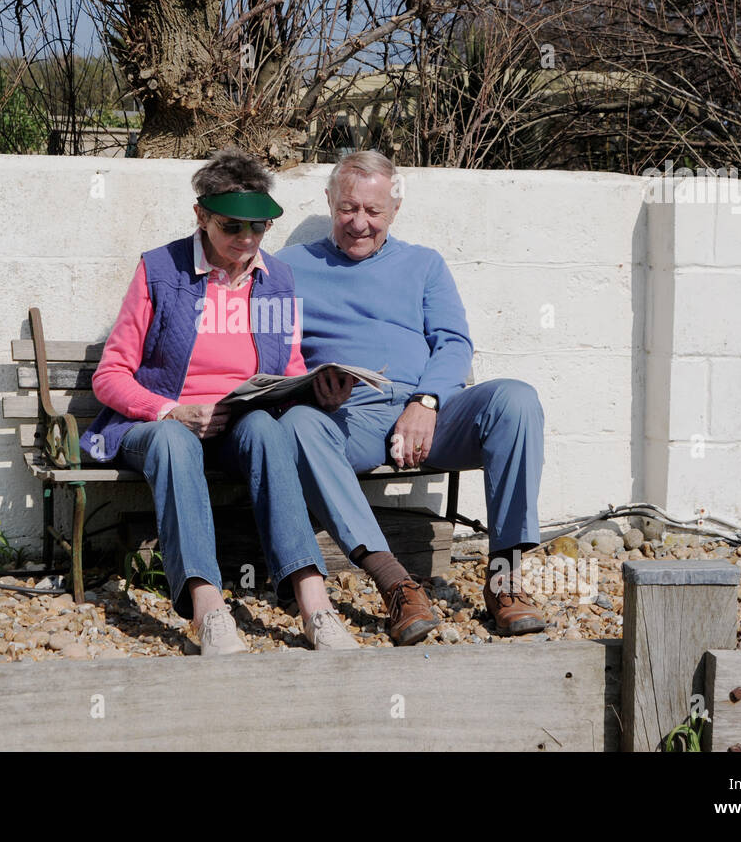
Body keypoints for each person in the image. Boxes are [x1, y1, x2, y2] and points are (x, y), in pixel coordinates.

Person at [83, 149, 359, 655]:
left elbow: (288, 365)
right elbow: (110, 376)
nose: (248, 240)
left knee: (267, 430)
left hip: (239, 423)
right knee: (172, 441)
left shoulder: (276, 278)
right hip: (163, 425)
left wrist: (312, 389)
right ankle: (209, 610)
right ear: (201, 216)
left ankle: (314, 604)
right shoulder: (158, 271)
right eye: (233, 226)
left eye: (259, 228)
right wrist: (173, 411)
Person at [277, 150, 548, 643]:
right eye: (347, 209)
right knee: (296, 425)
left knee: (516, 400)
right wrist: (311, 388)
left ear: (394, 210)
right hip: (346, 418)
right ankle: (396, 585)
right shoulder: (288, 267)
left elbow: (453, 343)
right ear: (330, 201)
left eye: (372, 212)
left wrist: (425, 402)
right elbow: (273, 353)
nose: (359, 223)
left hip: (428, 414)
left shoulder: (424, 264)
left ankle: (505, 579)